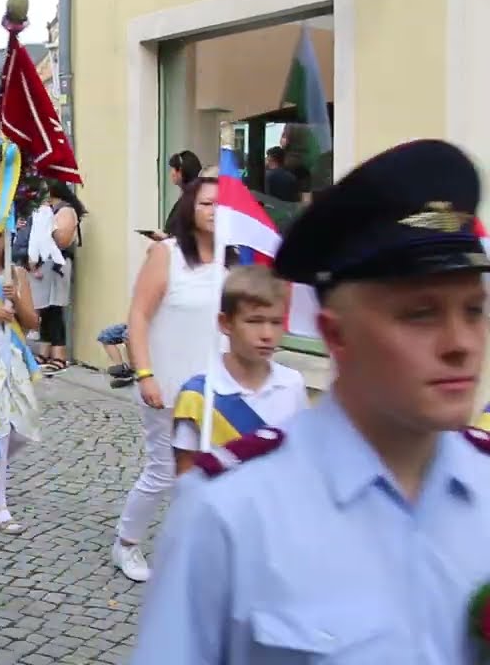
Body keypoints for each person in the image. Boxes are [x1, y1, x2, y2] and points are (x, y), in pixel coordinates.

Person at [131, 139, 490, 663]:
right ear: (336, 336)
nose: (461, 343)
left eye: (475, 310)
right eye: (420, 314)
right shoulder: (229, 513)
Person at [113, 174, 219, 583]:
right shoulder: (167, 254)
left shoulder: (235, 259)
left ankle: (195, 547)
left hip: (216, 388)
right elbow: (138, 316)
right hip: (169, 383)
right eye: (206, 203)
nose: (214, 211)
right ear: (190, 208)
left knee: (209, 472)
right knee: (163, 470)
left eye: (221, 204)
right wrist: (145, 374)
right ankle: (126, 543)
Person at [169, 265, 308, 475]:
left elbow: (301, 456)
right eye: (254, 321)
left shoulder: (292, 384)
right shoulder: (197, 396)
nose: (267, 334)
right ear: (225, 323)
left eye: (276, 322)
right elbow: (185, 477)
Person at [0, 219, 41, 533]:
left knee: (23, 427)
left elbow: (32, 322)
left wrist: (14, 298)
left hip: (12, 354)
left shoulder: (16, 274)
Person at [26, 180, 84, 374]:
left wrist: (46, 226)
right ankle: (45, 351)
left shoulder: (65, 210)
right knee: (45, 309)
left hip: (57, 265)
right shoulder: (47, 209)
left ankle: (59, 354)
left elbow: (63, 240)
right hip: (44, 265)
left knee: (55, 309)